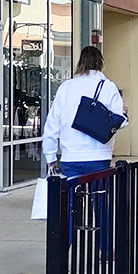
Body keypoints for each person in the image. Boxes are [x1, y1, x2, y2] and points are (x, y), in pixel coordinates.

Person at [42, 46, 128, 178]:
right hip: (99, 155)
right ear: (101, 63)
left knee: (72, 190)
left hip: (70, 156)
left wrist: (50, 156)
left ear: (80, 63)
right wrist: (124, 112)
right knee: (99, 190)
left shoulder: (66, 87)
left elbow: (52, 124)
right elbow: (119, 123)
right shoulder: (108, 86)